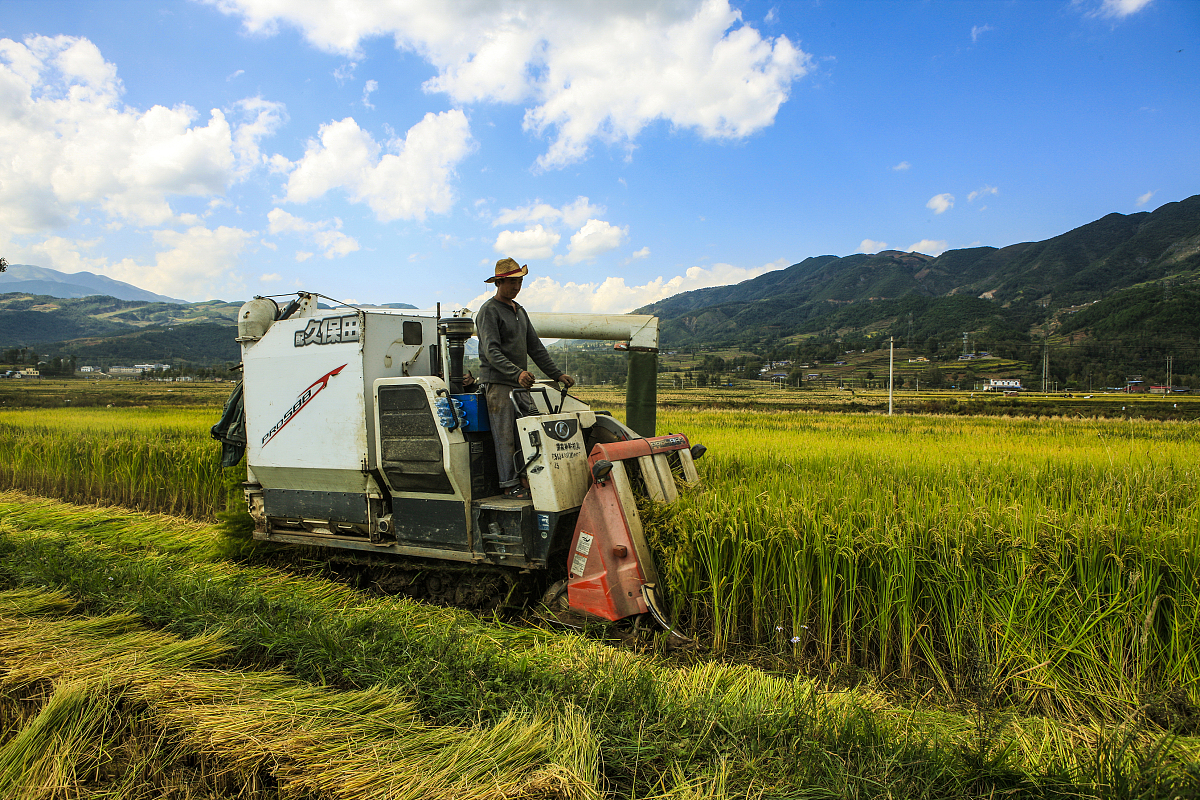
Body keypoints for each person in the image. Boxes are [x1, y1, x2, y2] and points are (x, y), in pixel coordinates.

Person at [476, 257, 575, 499]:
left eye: (520, 282)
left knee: (530, 430)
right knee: (506, 435)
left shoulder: (519, 311)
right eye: (512, 282)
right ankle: (509, 485)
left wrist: (557, 374)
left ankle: (527, 478)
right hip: (498, 383)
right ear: (499, 282)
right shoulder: (489, 311)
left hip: (518, 383)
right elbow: (492, 351)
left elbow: (535, 347)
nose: (517, 287)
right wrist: (517, 372)